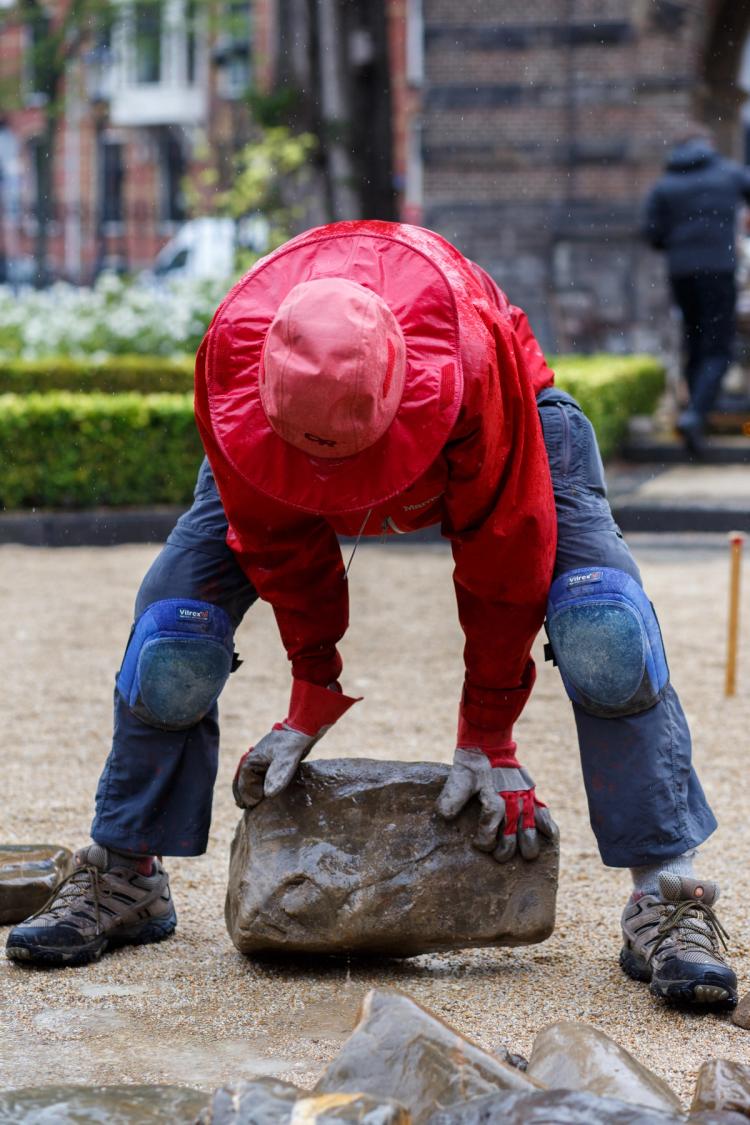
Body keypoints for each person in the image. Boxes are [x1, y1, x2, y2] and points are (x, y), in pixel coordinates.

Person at [6, 221, 737, 1009]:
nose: (336, 485)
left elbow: (504, 553)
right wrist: (310, 691)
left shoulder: (471, 356)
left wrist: (487, 732)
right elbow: (280, 546)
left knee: (607, 630)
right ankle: (126, 873)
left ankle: (667, 896)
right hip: (283, 428)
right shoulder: (238, 368)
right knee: (172, 638)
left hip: (513, 417)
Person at [643, 129, 750, 456]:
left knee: (695, 340)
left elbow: (652, 234)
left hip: (681, 272)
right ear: (710, 146)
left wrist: (679, 245)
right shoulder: (729, 174)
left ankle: (694, 419)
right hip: (718, 270)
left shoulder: (664, 185)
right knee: (719, 348)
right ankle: (695, 415)